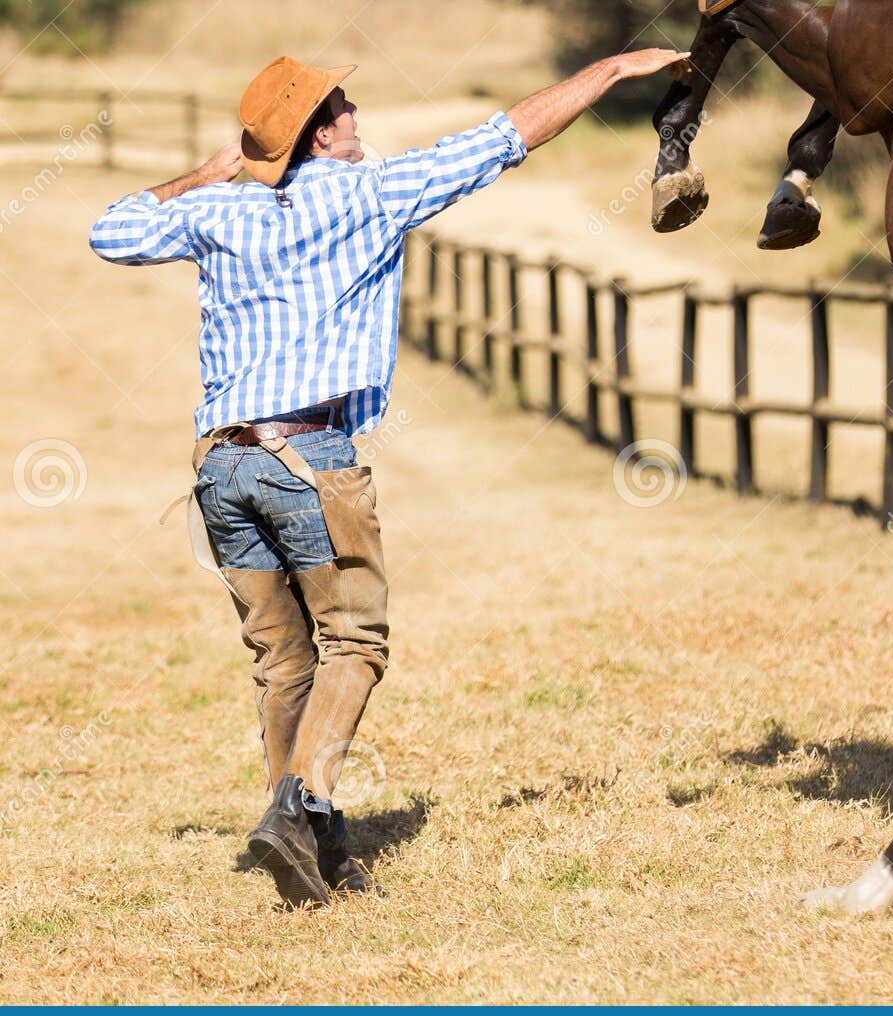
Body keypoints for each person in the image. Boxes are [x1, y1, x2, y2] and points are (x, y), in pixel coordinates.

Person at [88, 47, 688, 907]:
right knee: (355, 644)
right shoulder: (373, 193)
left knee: (281, 656)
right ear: (323, 135)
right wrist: (612, 69)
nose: (359, 121)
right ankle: (298, 809)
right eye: (347, 109)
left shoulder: (217, 211)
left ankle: (307, 837)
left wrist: (209, 173)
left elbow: (110, 230)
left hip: (221, 466)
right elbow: (510, 135)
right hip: (310, 461)